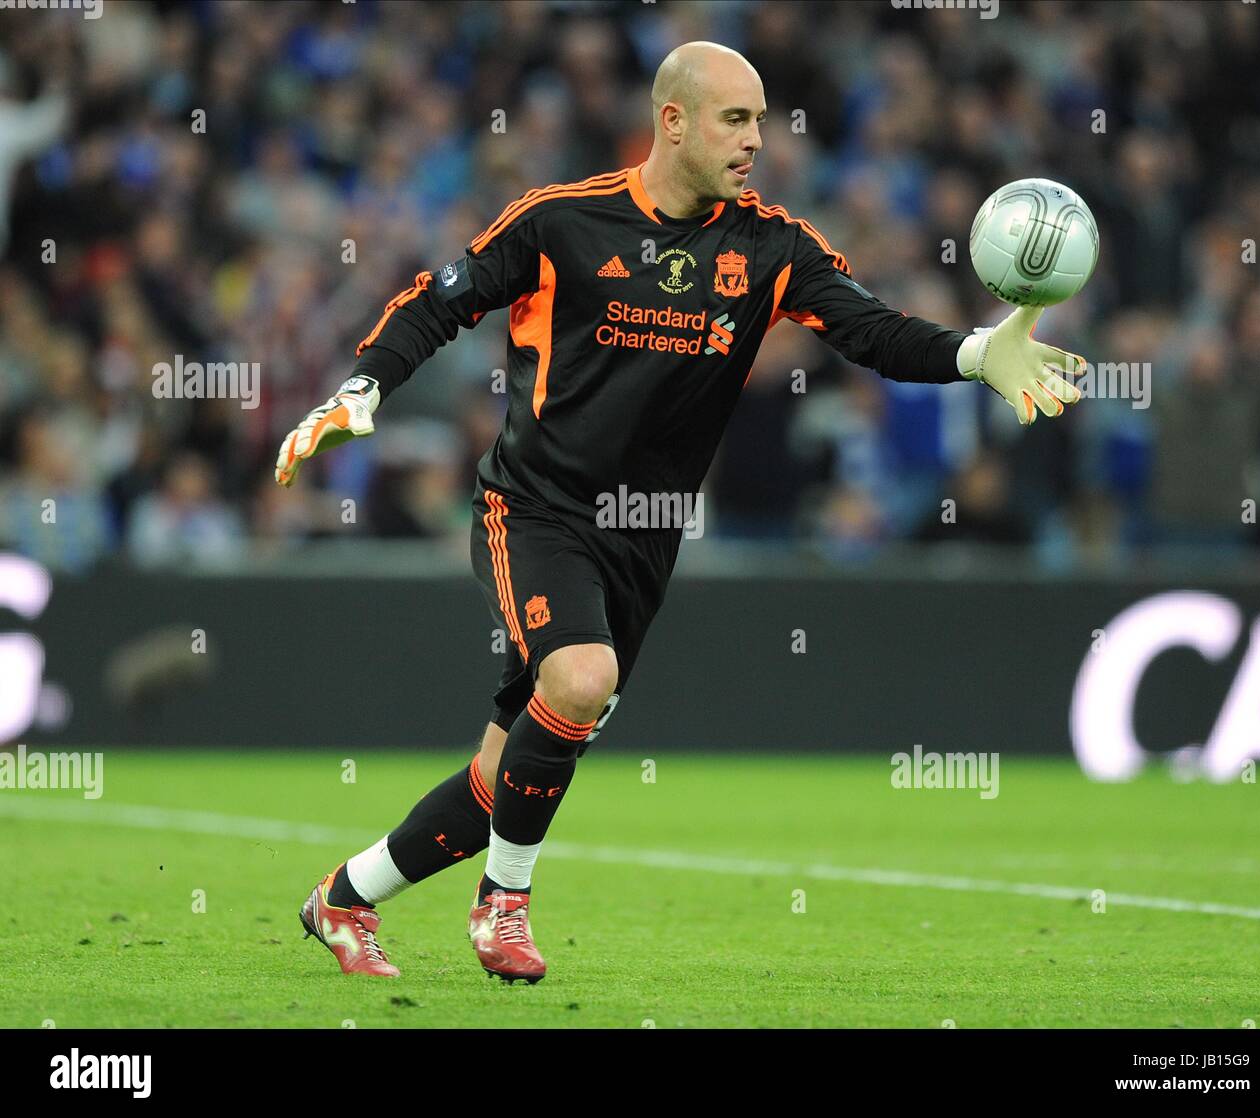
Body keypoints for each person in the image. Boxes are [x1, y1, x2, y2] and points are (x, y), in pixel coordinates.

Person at [278, 42, 1084, 982]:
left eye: (761, 119)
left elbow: (875, 333)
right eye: (735, 119)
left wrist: (981, 354)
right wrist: (364, 387)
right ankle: (505, 905)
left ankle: (345, 898)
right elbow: (436, 302)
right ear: (674, 121)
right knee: (580, 679)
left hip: (646, 539)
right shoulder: (563, 223)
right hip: (534, 509)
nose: (756, 139)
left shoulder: (772, 248)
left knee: (507, 774)